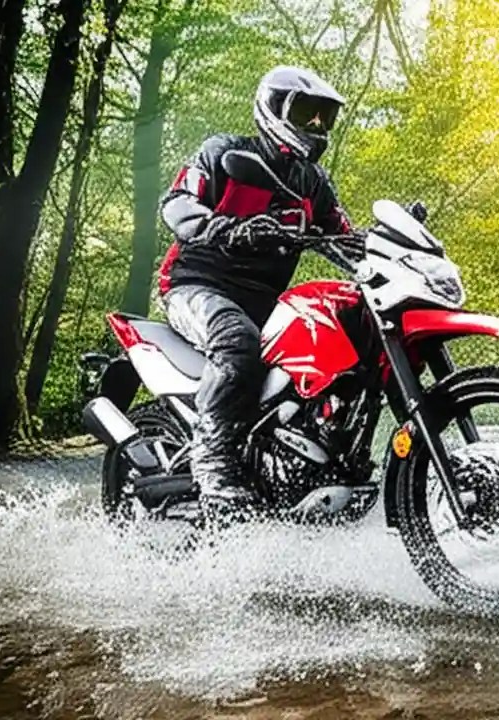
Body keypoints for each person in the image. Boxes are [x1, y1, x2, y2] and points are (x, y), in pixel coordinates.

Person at [156, 65, 354, 510]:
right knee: (237, 342)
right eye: (305, 113)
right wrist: (226, 228)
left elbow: (342, 238)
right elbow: (177, 205)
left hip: (262, 303)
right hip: (196, 285)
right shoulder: (224, 154)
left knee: (334, 342)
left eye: (324, 116)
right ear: (273, 109)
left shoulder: (313, 183)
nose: (316, 125)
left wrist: (387, 245)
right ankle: (213, 462)